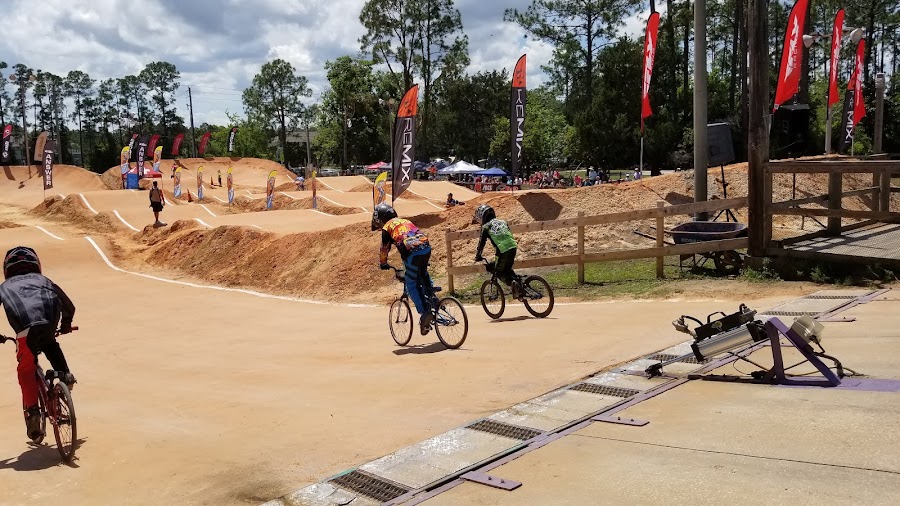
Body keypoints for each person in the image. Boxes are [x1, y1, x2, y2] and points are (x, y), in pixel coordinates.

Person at [0, 247, 76, 442]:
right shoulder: (45, 281)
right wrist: (65, 324)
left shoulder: (4, 286)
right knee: (50, 342)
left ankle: (33, 413)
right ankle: (65, 375)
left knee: (26, 369)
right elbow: (68, 304)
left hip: (25, 330)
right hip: (49, 324)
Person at [372, 204, 434, 335]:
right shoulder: (405, 221)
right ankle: (434, 299)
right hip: (426, 247)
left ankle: (424, 313)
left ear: (381, 219)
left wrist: (383, 263)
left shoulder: (387, 227)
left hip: (411, 251)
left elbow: (384, 248)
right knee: (422, 274)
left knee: (411, 285)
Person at [472, 204, 519, 295]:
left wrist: (478, 256)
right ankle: (519, 286)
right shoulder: (503, 222)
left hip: (502, 250)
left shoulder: (486, 227)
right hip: (513, 246)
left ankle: (513, 284)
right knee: (507, 269)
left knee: (498, 272)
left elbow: (481, 243)